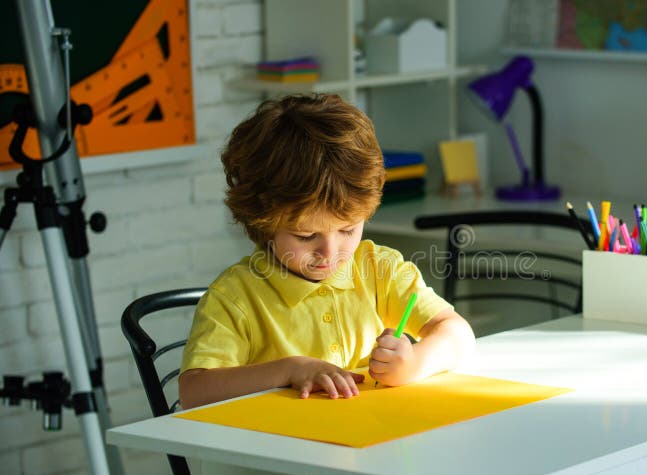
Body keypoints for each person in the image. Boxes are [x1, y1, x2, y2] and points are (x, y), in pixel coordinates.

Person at [179, 92, 475, 408]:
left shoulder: (379, 269)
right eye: (306, 236)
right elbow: (194, 392)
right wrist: (289, 370)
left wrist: (415, 362)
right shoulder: (235, 297)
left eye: (347, 230)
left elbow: (458, 334)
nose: (330, 253)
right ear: (263, 224)